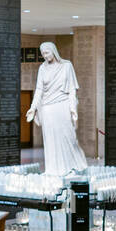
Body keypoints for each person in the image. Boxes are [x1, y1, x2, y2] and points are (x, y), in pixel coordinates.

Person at [25, 42, 88, 176]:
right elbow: (39, 89)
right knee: (50, 139)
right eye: (43, 54)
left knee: (68, 136)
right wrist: (33, 107)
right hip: (47, 107)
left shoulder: (66, 66)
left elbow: (72, 89)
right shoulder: (42, 68)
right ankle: (52, 170)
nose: (45, 56)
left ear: (53, 51)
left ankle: (72, 167)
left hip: (63, 105)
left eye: (47, 52)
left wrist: (73, 109)